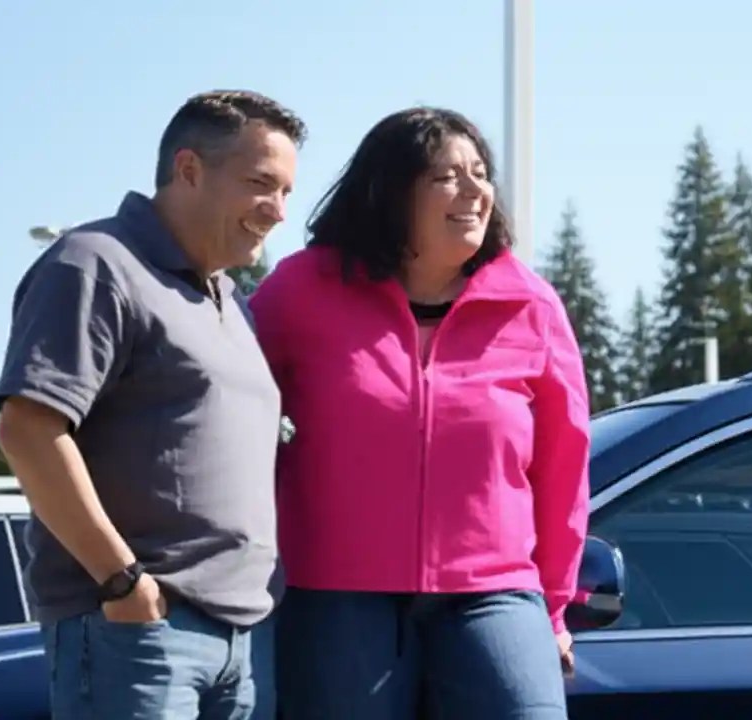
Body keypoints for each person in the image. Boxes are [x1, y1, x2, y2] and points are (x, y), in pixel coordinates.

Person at [248, 106, 592, 719]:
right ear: (390, 190)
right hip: (334, 594)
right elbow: (227, 411)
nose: (474, 191)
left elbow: (564, 466)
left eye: (481, 174)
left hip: (495, 590)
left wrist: (555, 606)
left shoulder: (533, 306)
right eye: (445, 177)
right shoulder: (299, 292)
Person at [0, 89, 306, 719]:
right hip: (138, 633)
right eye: (259, 184)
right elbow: (28, 429)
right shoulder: (93, 264)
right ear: (189, 169)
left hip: (241, 645)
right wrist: (122, 583)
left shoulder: (232, 303)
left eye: (286, 193)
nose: (276, 211)